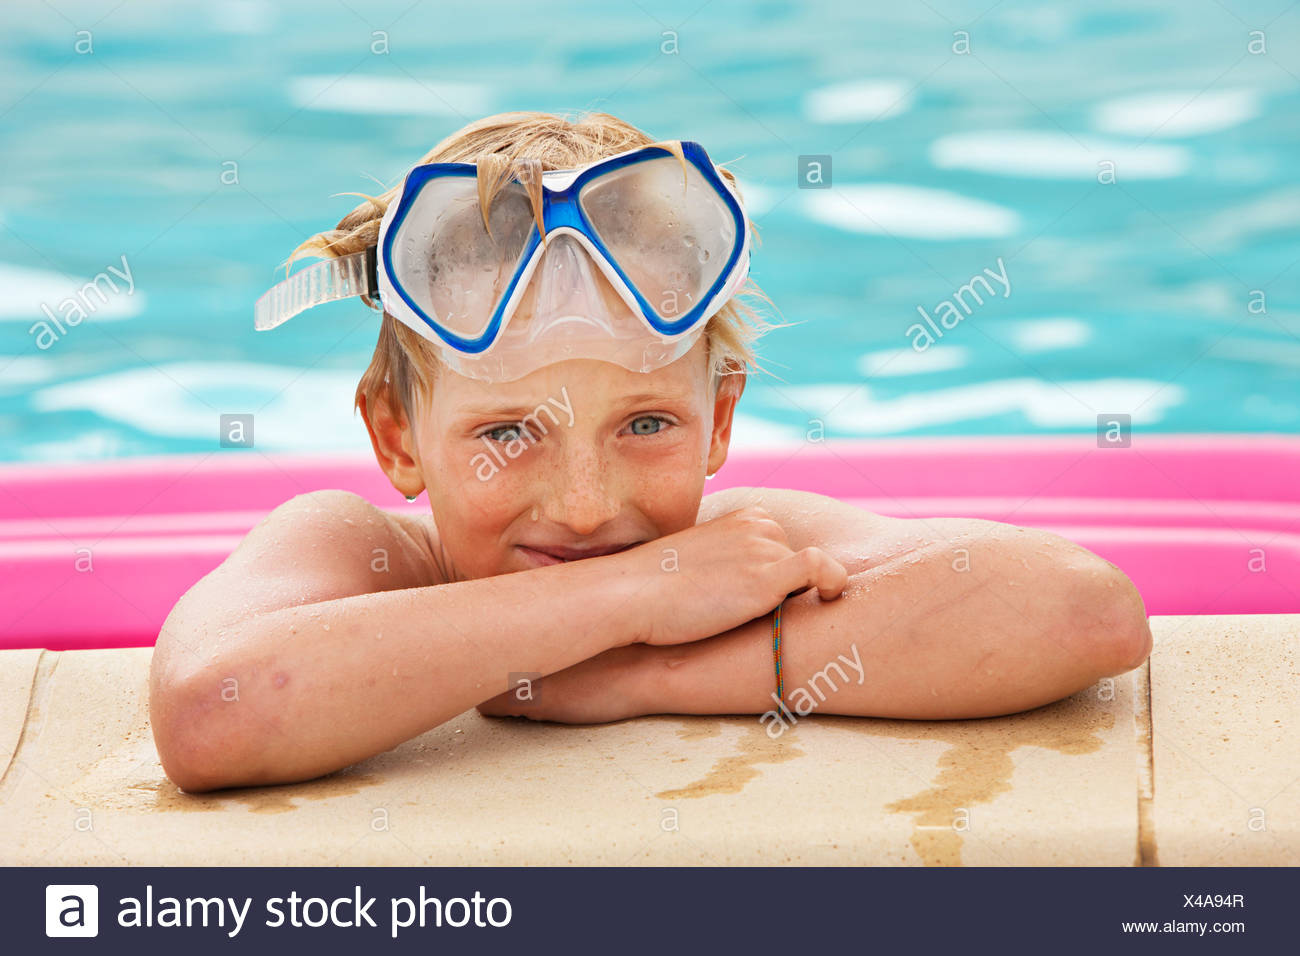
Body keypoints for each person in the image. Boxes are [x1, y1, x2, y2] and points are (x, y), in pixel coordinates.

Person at [149, 110, 1151, 793]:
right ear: (396, 435)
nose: (586, 506)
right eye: (507, 433)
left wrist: (642, 675)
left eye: (644, 425)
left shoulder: (742, 543)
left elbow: (1082, 608)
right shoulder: (359, 555)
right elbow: (208, 714)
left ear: (717, 421)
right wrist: (621, 601)